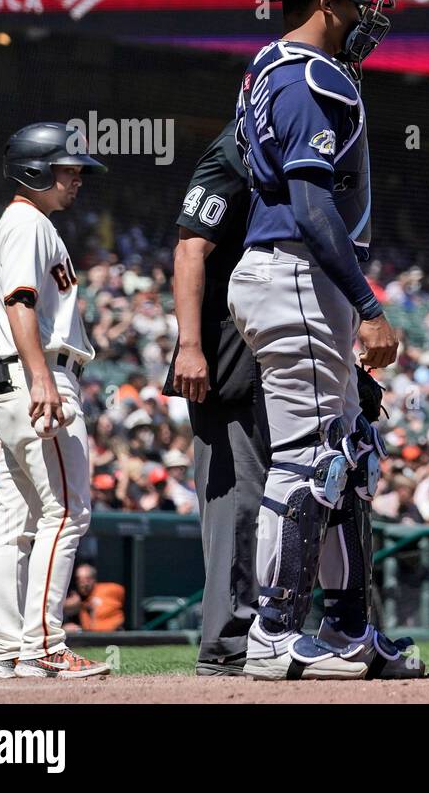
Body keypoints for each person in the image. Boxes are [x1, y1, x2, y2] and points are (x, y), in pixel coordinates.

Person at [229, 0, 421, 680]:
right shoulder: (309, 75)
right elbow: (310, 206)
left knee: (346, 458)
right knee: (308, 459)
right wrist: (368, 307)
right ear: (326, 2)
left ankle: (346, 631)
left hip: (295, 276)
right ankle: (274, 634)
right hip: (298, 273)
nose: (368, 16)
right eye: (358, 1)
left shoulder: (273, 70)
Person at [0, 122, 110, 679]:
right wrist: (42, 379)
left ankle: (10, 648)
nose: (77, 176)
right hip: (38, 376)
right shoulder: (28, 221)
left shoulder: (28, 223)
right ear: (36, 169)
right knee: (66, 510)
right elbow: (20, 305)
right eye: (67, 166)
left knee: (17, 518)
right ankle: (44, 646)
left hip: (12, 381)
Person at [164, 121, 270, 676]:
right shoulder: (233, 152)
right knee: (238, 502)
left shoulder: (280, 149)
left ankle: (272, 633)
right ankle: (229, 645)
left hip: (268, 348)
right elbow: (188, 250)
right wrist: (189, 346)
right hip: (225, 355)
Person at [63, 563, 126, 632]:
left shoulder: (110, 590)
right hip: (91, 638)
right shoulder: (77, 599)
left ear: (94, 579)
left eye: (87, 579)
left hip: (114, 635)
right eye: (79, 579)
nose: (84, 583)